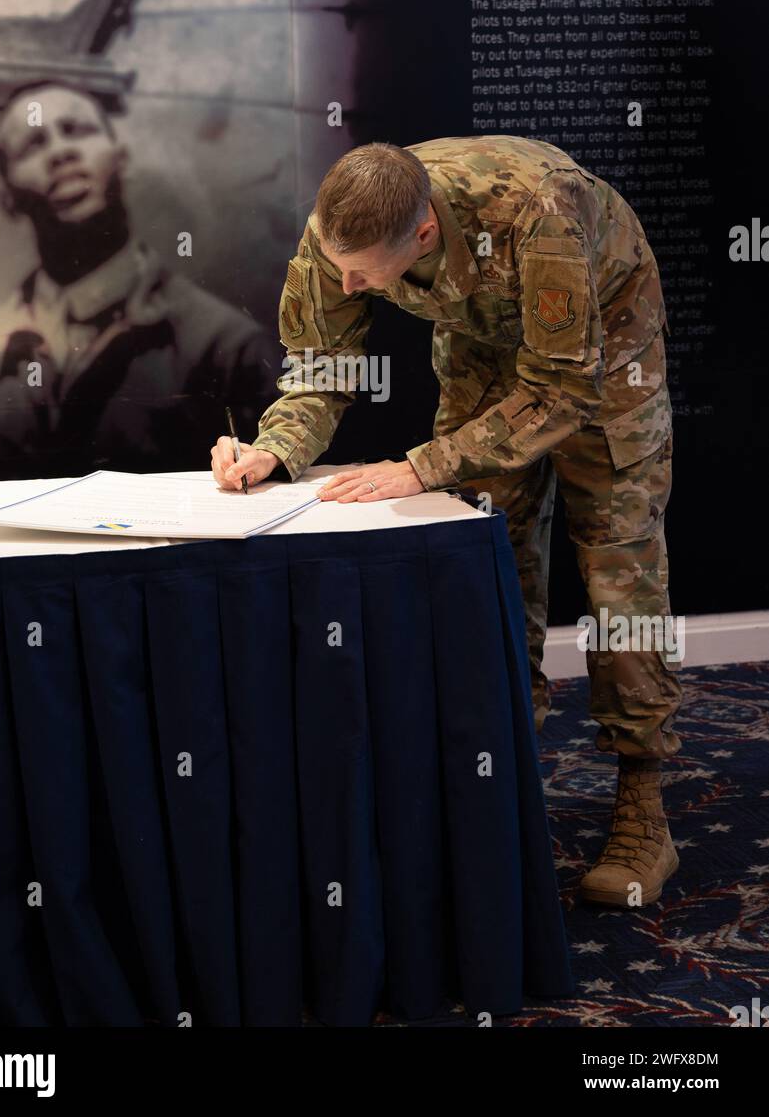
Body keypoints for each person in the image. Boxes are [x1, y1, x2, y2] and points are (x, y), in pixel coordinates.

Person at [211, 135, 680, 909]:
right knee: (486, 563)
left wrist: (422, 465)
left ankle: (642, 804)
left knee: (618, 575)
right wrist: (273, 450)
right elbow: (323, 363)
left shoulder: (540, 210)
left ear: (423, 235)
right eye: (338, 265)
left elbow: (563, 389)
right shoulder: (342, 227)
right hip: (480, 347)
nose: (348, 283)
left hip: (604, 358)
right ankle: (504, 782)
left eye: (364, 272)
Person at [0, 82, 276, 480]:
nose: (61, 152)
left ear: (121, 158)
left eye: (78, 130)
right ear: (8, 199)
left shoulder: (224, 346)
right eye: (32, 144)